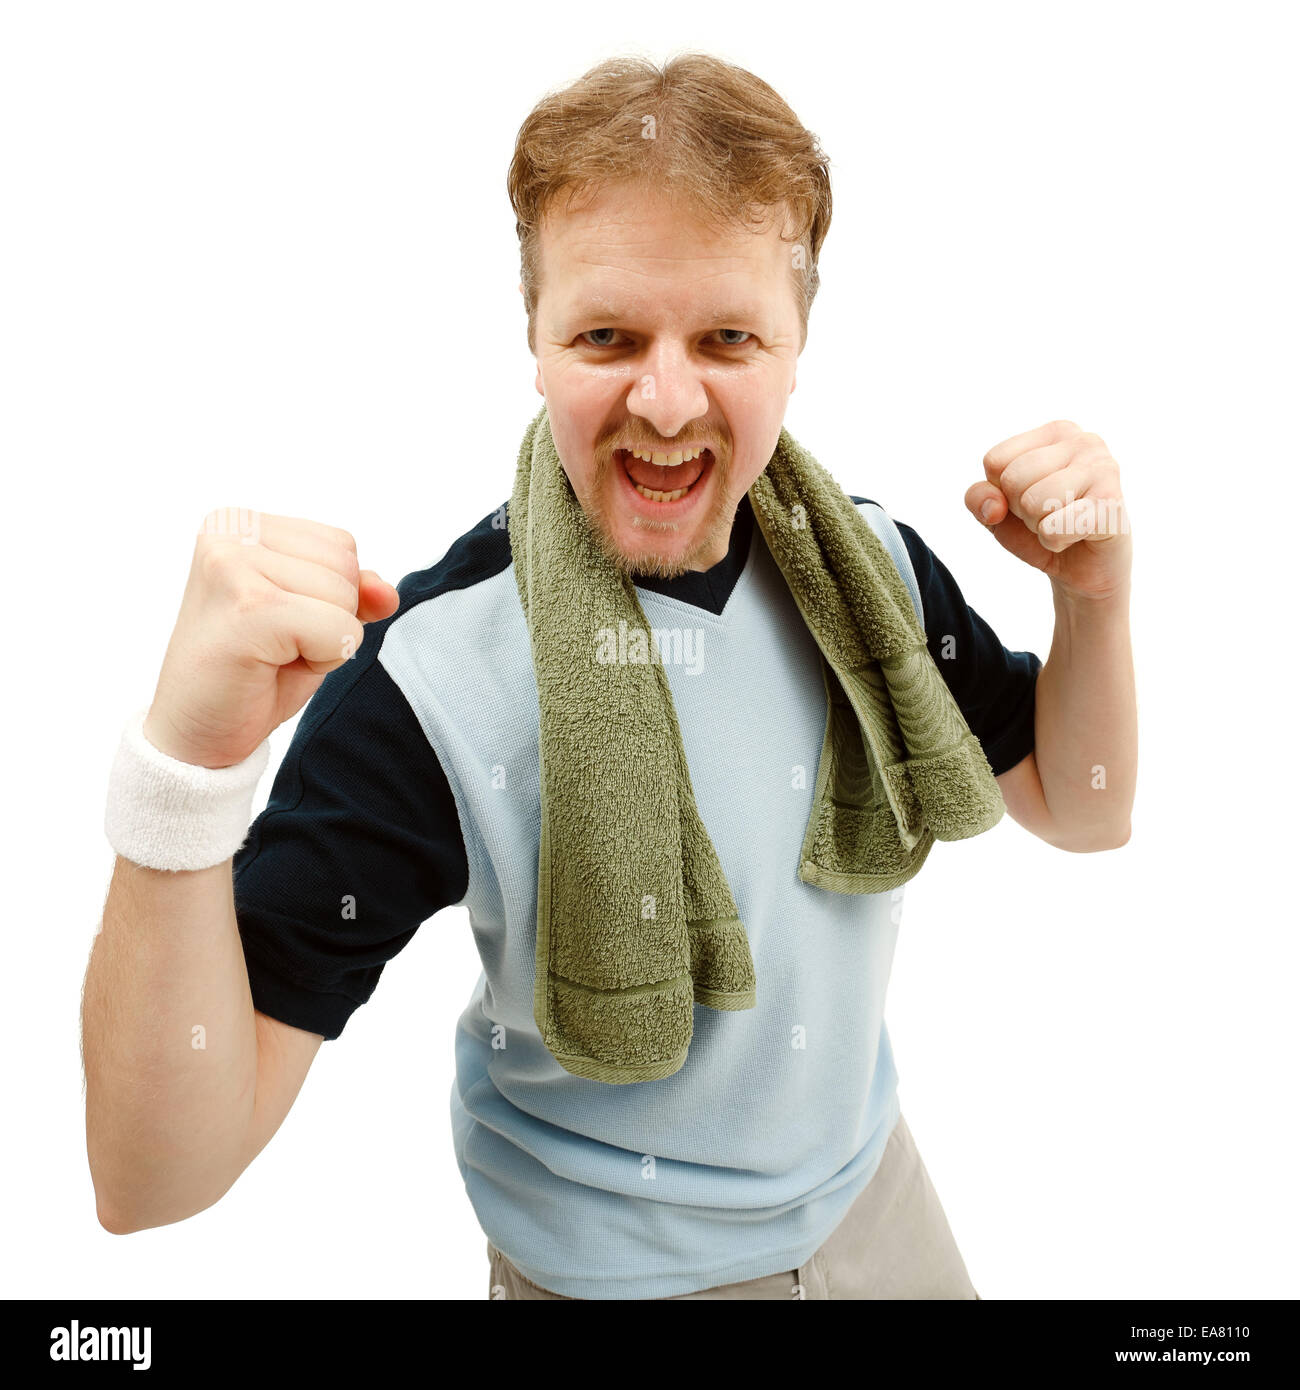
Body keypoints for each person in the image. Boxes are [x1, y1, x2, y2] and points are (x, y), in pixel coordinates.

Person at [83, 52, 1136, 1300]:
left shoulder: (877, 582)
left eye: (728, 335)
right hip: (613, 1280)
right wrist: (185, 774)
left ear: (797, 346)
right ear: (534, 339)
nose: (668, 395)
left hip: (876, 1206)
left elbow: (1084, 806)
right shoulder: (435, 677)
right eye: (607, 334)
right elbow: (151, 1180)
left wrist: (1094, 598)